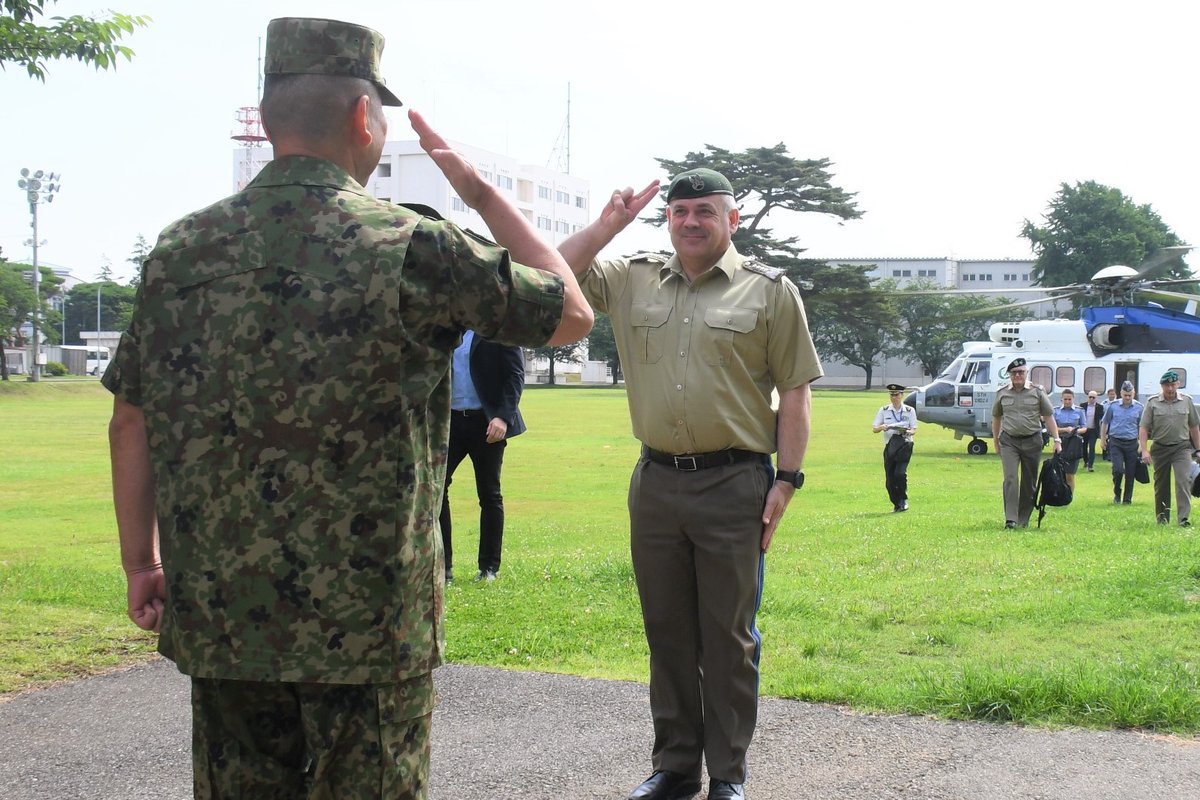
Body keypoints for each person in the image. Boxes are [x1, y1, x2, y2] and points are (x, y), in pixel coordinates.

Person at [104, 16, 592, 799]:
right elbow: (571, 314)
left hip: (226, 611)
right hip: (368, 623)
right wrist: (480, 192)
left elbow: (131, 421)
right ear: (366, 118)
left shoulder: (181, 250)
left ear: (267, 121)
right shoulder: (411, 245)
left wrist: (141, 562)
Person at [558, 168, 822, 800]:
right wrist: (606, 225)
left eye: (706, 210)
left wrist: (786, 480)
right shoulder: (632, 278)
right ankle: (676, 767)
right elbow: (554, 274)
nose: (691, 221)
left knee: (729, 637)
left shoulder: (769, 293)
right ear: (668, 220)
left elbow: (795, 393)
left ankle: (727, 774)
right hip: (655, 483)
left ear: (732, 220)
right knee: (667, 631)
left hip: (735, 483)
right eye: (680, 212)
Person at [440, 330, 527, 583]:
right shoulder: (444, 330)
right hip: (449, 422)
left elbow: (515, 375)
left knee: (489, 494)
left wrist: (502, 416)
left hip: (487, 422)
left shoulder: (497, 329)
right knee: (437, 490)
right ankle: (443, 568)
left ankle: (489, 568)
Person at [991, 357, 1062, 529]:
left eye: (1021, 372)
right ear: (1009, 375)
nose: (1018, 376)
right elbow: (996, 417)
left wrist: (1057, 439)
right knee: (1010, 478)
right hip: (1009, 441)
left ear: (1026, 373)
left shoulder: (1037, 391)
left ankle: (1023, 519)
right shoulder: (1002, 393)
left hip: (1032, 441)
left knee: (1029, 481)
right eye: (1014, 373)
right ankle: (1011, 519)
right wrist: (996, 441)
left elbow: (1048, 416)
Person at [1138, 370, 1200, 526]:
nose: (1170, 389)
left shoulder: (1187, 401)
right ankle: (1162, 518)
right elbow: (1144, 428)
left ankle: (1183, 519)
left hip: (1182, 448)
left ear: (1178, 384)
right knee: (1161, 485)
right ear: (1162, 386)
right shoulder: (1152, 403)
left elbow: (1194, 427)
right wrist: (1144, 450)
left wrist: (1198, 449)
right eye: (1167, 385)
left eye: (1173, 385)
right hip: (1160, 448)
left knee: (1183, 481)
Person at [871, 383, 917, 512]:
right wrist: (882, 427)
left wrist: (907, 431)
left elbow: (914, 429)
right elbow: (875, 428)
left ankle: (903, 500)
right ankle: (896, 503)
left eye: (896, 395)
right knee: (890, 479)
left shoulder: (909, 411)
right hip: (890, 446)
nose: (894, 397)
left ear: (902, 395)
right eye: (892, 395)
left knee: (900, 473)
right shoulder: (884, 410)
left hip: (905, 445)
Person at [1100, 381, 1143, 505]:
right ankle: (1117, 494)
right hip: (1115, 442)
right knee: (1118, 470)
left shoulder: (1139, 407)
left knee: (1130, 472)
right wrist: (1103, 439)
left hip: (1132, 443)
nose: (1127, 398)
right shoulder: (1113, 406)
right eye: (1125, 395)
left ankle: (1127, 499)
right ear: (1121, 394)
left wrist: (1141, 443)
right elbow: (1105, 423)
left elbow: (1142, 427)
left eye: (1130, 395)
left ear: (1134, 393)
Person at [1052, 389, 1087, 491]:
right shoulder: (1055, 411)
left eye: (1069, 399)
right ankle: (1059, 495)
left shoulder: (1079, 411)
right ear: (1061, 399)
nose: (1067, 401)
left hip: (1074, 444)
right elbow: (1052, 428)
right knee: (1058, 472)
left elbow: (1085, 428)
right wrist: (1065, 430)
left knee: (1070, 474)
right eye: (1065, 399)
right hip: (1060, 442)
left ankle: (1069, 496)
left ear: (1073, 399)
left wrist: (1074, 431)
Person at [1080, 390, 1104, 471]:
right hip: (1084, 430)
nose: (1091, 399)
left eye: (1093, 397)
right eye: (1090, 397)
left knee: (1092, 447)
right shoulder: (1082, 406)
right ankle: (1086, 461)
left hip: (1093, 430)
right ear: (1088, 397)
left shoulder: (1100, 407)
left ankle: (1090, 466)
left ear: (1096, 398)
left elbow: (1101, 420)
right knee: (1083, 447)